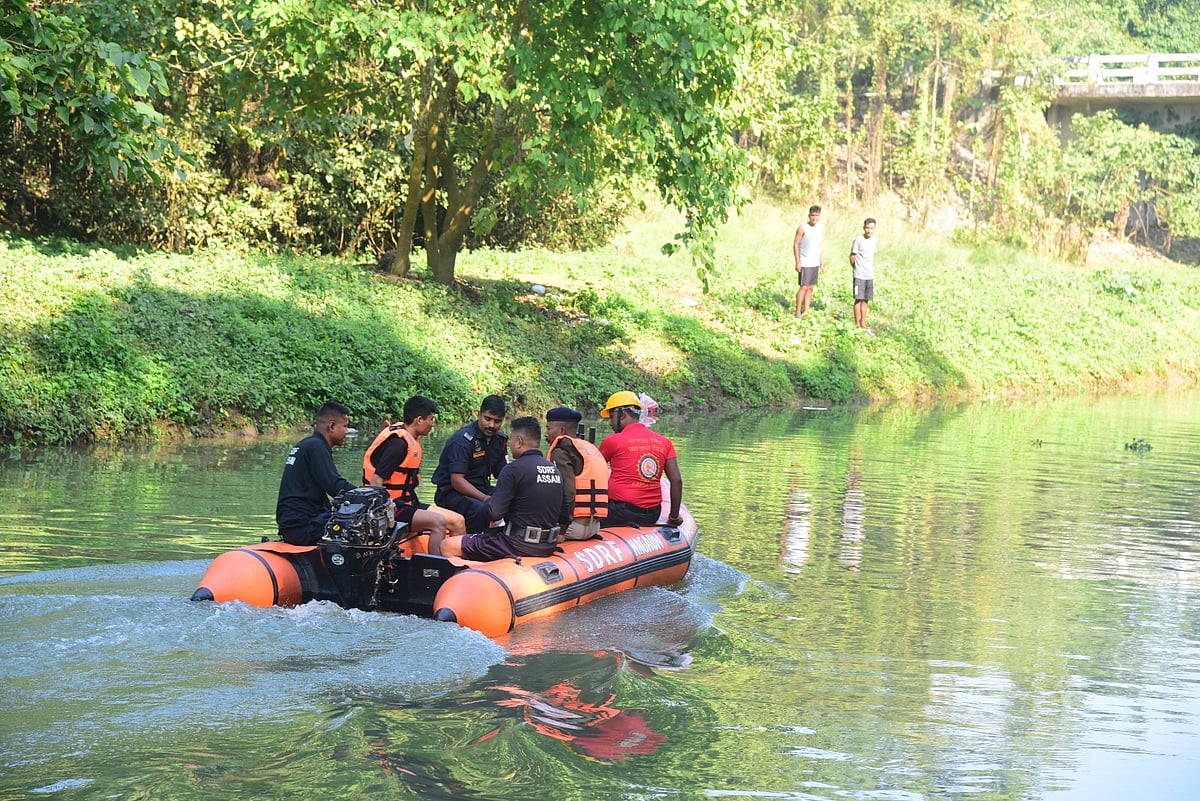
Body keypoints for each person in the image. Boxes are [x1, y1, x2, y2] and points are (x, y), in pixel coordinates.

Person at [430, 417, 567, 560]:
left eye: (512, 440)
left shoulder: (513, 469)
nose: (509, 445)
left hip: (516, 544)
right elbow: (564, 515)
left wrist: (491, 500)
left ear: (519, 441)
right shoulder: (554, 470)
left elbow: (494, 513)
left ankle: (476, 571)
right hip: (547, 546)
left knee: (448, 545)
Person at [361, 395, 466, 539]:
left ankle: (455, 557)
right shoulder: (398, 445)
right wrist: (386, 513)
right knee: (438, 522)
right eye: (431, 419)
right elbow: (375, 482)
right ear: (419, 420)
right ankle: (436, 561)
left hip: (408, 503)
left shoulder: (409, 439)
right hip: (393, 509)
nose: (433, 424)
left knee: (458, 521)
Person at [597, 391, 682, 528]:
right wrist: (674, 517)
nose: (610, 423)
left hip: (619, 512)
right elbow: (676, 480)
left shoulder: (613, 441)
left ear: (622, 415)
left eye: (611, 417)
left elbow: (593, 470)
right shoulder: (665, 442)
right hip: (653, 513)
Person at [275, 401, 357, 545]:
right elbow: (335, 486)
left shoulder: (306, 444)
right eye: (344, 426)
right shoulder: (317, 447)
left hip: (294, 522)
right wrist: (367, 495)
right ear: (331, 426)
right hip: (303, 525)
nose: (347, 431)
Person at [431, 395, 508, 533]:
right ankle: (474, 544)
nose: (491, 425)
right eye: (487, 419)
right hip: (451, 493)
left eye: (497, 421)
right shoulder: (462, 441)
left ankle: (509, 540)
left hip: (481, 487)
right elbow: (457, 481)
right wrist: (485, 499)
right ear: (479, 415)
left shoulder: (499, 441)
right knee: (482, 509)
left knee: (514, 500)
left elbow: (504, 474)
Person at [544, 406, 609, 541]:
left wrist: (561, 530)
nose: (546, 433)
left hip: (574, 528)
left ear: (561, 430)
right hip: (594, 526)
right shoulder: (588, 448)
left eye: (549, 428)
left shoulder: (560, 451)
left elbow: (569, 492)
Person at [793, 205, 823, 317]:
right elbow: (796, 244)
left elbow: (819, 246)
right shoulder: (803, 227)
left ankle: (806, 310)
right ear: (809, 215)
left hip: (814, 262)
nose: (814, 218)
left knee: (810, 287)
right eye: (812, 215)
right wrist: (797, 262)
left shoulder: (819, 228)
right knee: (803, 287)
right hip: (804, 261)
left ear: (819, 216)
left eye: (817, 216)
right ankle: (797, 311)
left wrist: (822, 263)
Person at [849, 217, 878, 332]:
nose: (869, 230)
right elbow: (852, 256)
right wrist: (856, 269)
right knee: (858, 299)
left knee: (866, 300)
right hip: (859, 275)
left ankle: (863, 323)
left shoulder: (875, 240)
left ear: (874, 229)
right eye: (867, 228)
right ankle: (856, 323)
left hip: (869, 274)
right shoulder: (858, 240)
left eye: (871, 228)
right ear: (863, 227)